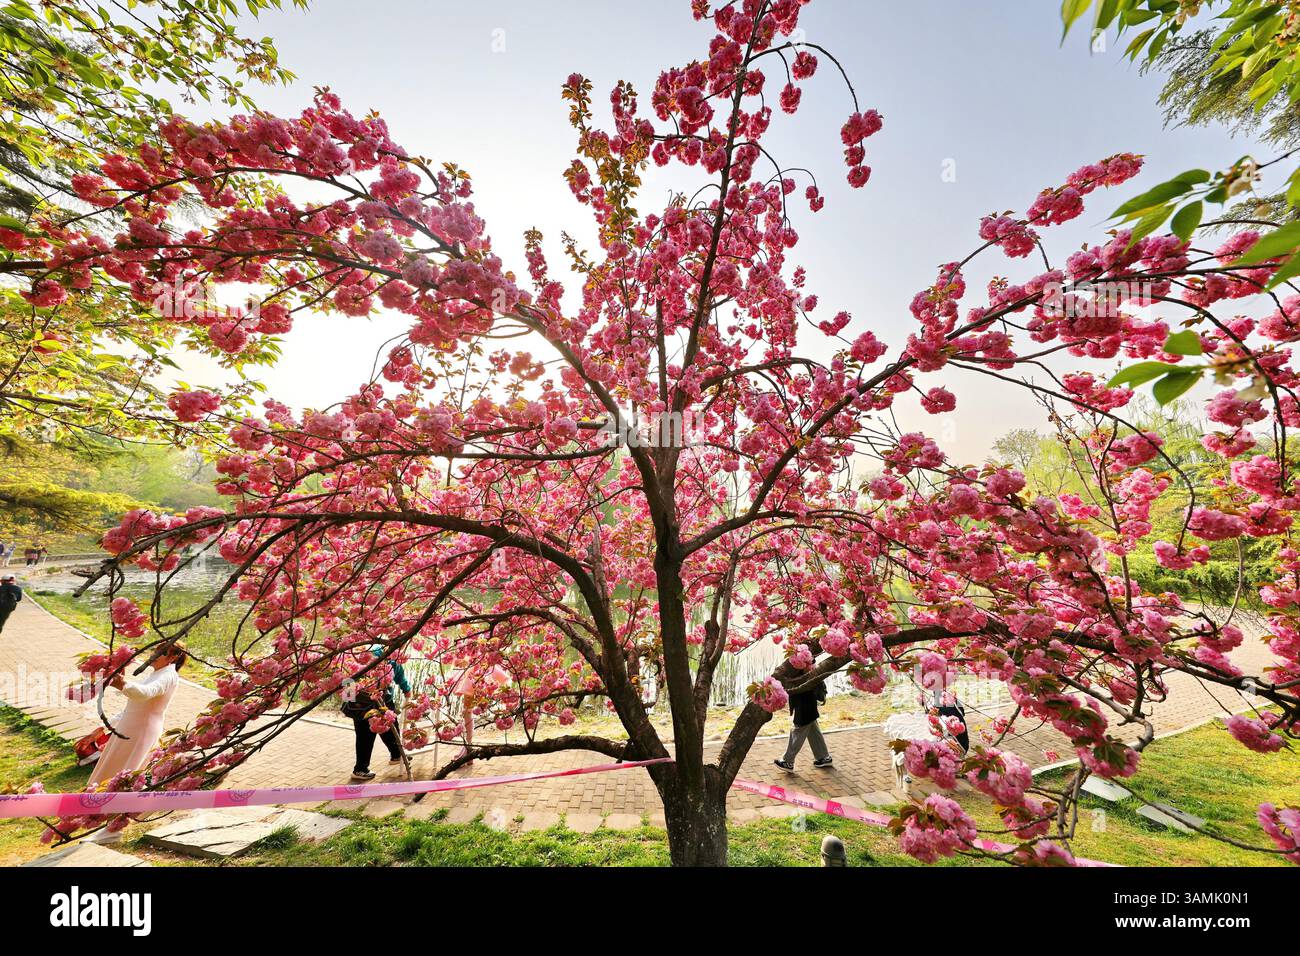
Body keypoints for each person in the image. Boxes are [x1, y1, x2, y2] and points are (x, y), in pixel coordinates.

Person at [89, 644, 186, 785]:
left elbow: (145, 693)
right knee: (110, 768)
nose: (155, 655)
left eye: (162, 653)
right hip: (128, 727)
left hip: (141, 731)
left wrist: (123, 684)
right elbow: (134, 707)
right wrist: (105, 727)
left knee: (124, 773)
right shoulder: (157, 673)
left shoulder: (169, 676)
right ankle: (96, 799)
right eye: (155, 651)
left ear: (173, 657)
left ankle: (111, 803)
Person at [342, 647, 411, 781]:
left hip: (367, 702)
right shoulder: (387, 659)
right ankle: (360, 769)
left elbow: (347, 678)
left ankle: (397, 754)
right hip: (368, 702)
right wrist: (406, 689)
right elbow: (400, 676)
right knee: (366, 735)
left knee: (390, 726)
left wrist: (349, 699)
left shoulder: (362, 655)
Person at [774, 677, 833, 771]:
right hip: (807, 701)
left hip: (804, 703)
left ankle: (787, 761)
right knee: (813, 729)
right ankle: (823, 757)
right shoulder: (806, 668)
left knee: (798, 730)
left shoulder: (803, 668)